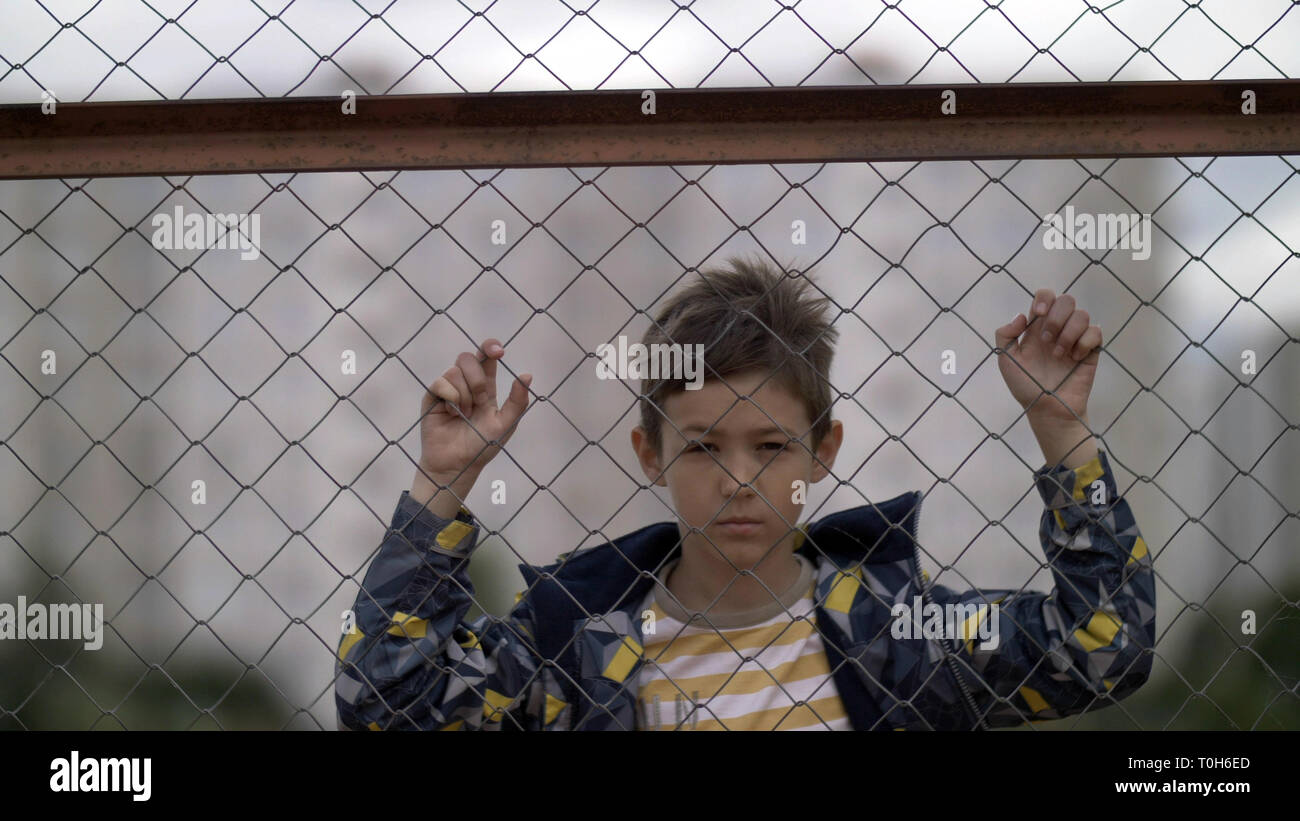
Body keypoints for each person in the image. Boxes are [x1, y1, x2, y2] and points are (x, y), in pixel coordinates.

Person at [334, 256, 1154, 731]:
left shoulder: (903, 637)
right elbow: (381, 699)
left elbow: (1102, 646)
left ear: (823, 450)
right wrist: (444, 481)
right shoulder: (571, 655)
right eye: (700, 446)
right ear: (648, 453)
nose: (737, 480)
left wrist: (1059, 427)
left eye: (771, 447)